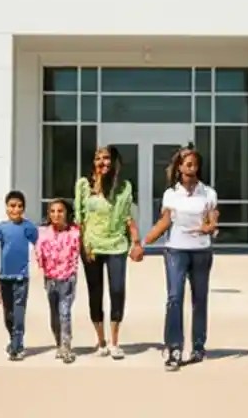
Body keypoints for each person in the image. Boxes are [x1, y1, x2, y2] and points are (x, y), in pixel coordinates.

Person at [142, 143, 219, 371]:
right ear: (179, 168)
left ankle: (197, 346)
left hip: (201, 252)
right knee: (174, 297)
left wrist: (211, 228)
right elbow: (164, 222)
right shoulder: (171, 194)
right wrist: (143, 244)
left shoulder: (208, 193)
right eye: (188, 164)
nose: (192, 167)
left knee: (200, 299)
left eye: (195, 164)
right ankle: (174, 347)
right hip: (176, 250)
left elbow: (213, 220)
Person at [73, 145, 143, 360]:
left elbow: (127, 217)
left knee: (117, 290)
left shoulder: (124, 187)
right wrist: (83, 245)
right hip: (91, 247)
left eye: (106, 158)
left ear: (114, 162)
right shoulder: (83, 185)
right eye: (98, 158)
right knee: (95, 292)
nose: (102, 162)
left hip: (117, 245)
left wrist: (136, 242)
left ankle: (114, 342)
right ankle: (100, 340)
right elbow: (79, 217)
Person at [0, 190, 39, 361]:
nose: (16, 209)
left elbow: (39, 244)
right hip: (5, 277)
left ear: (23, 208)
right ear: (6, 208)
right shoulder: (1, 228)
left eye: (19, 206)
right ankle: (13, 340)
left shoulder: (28, 227)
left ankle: (18, 346)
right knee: (8, 313)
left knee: (18, 311)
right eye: (12, 206)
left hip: (21, 277)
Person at [35, 197, 81, 364]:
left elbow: (80, 249)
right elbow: (39, 253)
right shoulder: (43, 232)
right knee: (54, 314)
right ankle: (58, 342)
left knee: (64, 312)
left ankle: (66, 346)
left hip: (68, 278)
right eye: (53, 211)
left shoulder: (74, 232)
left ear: (67, 213)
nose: (56, 214)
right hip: (51, 279)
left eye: (60, 211)